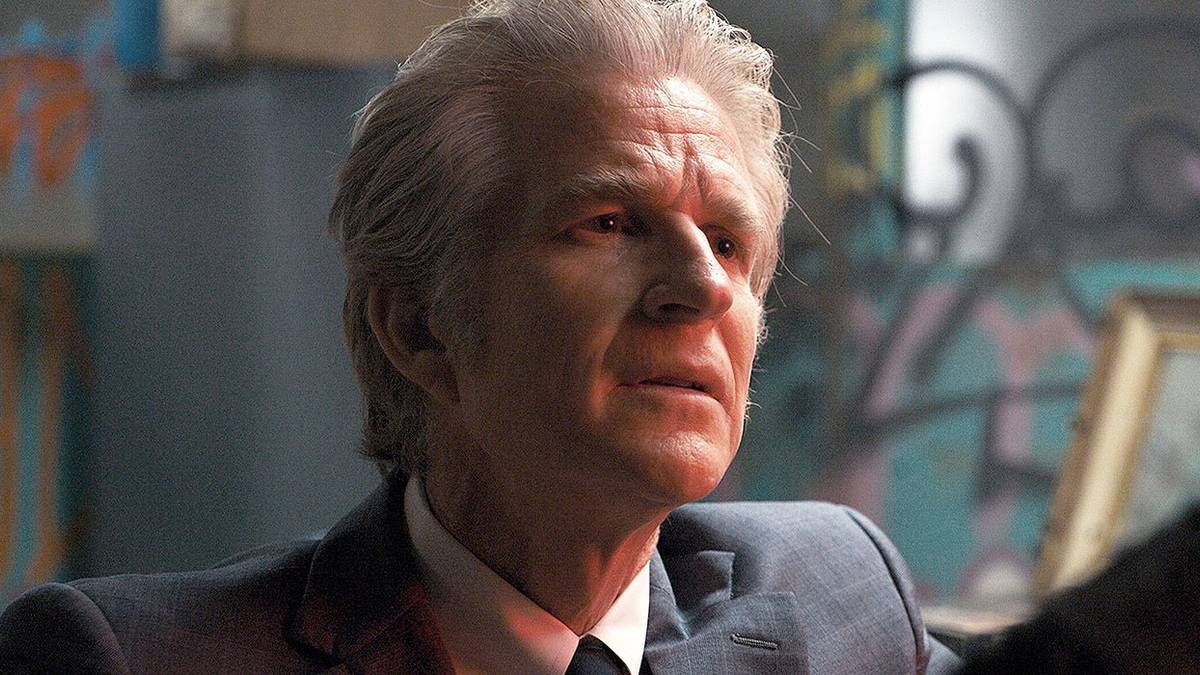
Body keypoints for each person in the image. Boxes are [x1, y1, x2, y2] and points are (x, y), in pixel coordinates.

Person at [0, 1, 961, 672]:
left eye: (727, 241)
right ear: (420, 325)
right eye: (610, 224)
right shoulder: (133, 657)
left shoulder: (845, 592)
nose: (704, 286)